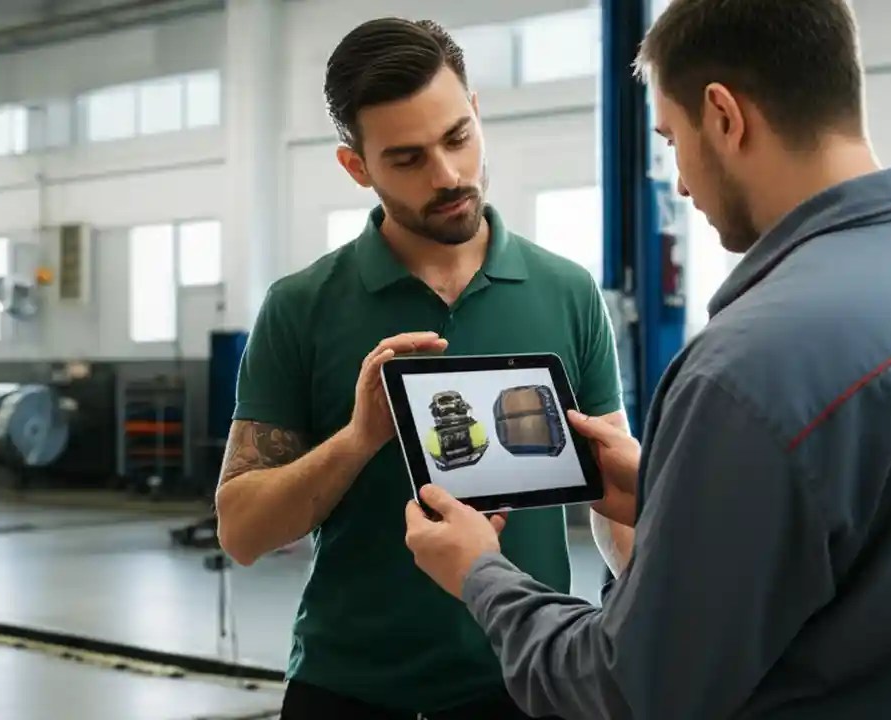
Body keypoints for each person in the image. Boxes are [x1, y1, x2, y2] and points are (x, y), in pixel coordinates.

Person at [403, 0, 891, 718]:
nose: (679, 181)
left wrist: (480, 573)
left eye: (671, 139)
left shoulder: (746, 370)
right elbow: (879, 542)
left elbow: (626, 690)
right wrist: (667, 488)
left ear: (723, 115)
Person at [214, 17, 632, 720]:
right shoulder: (301, 307)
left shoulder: (567, 292)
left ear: (478, 115)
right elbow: (243, 531)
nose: (448, 176)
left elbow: (611, 494)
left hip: (529, 683)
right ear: (357, 167)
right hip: (351, 691)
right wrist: (358, 438)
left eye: (458, 138)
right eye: (407, 159)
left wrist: (651, 618)